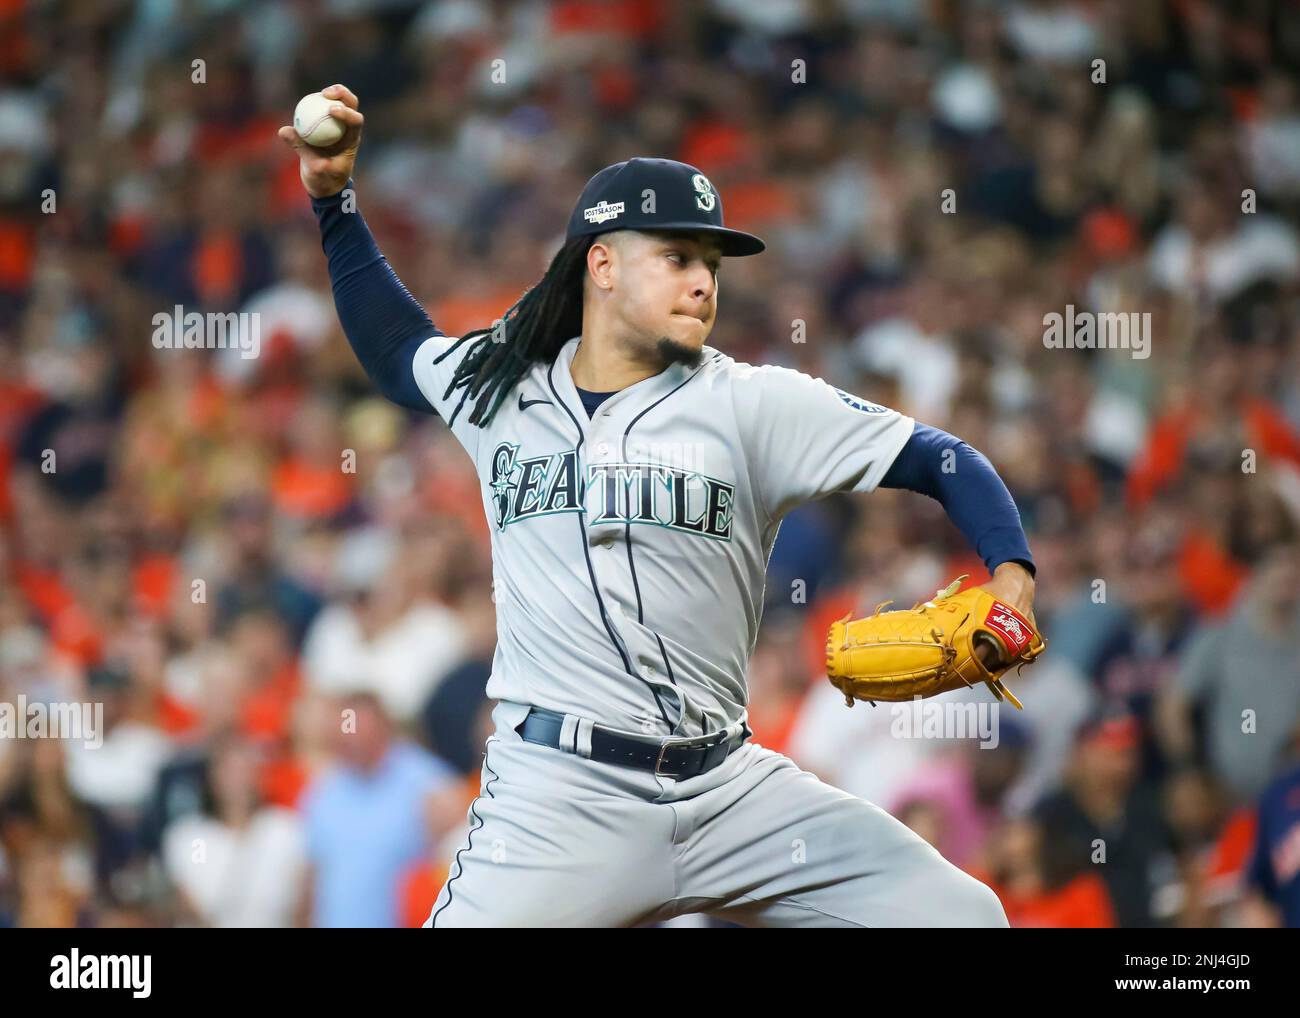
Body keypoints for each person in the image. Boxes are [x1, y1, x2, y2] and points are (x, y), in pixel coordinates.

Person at [279, 84, 1039, 928]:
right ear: (601, 263)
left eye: (710, 266)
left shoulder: (753, 403)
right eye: (677, 257)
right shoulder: (503, 386)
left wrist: (1012, 574)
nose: (702, 283)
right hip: (562, 800)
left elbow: (944, 459)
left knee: (963, 918)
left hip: (729, 790)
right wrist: (333, 203)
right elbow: (396, 351)